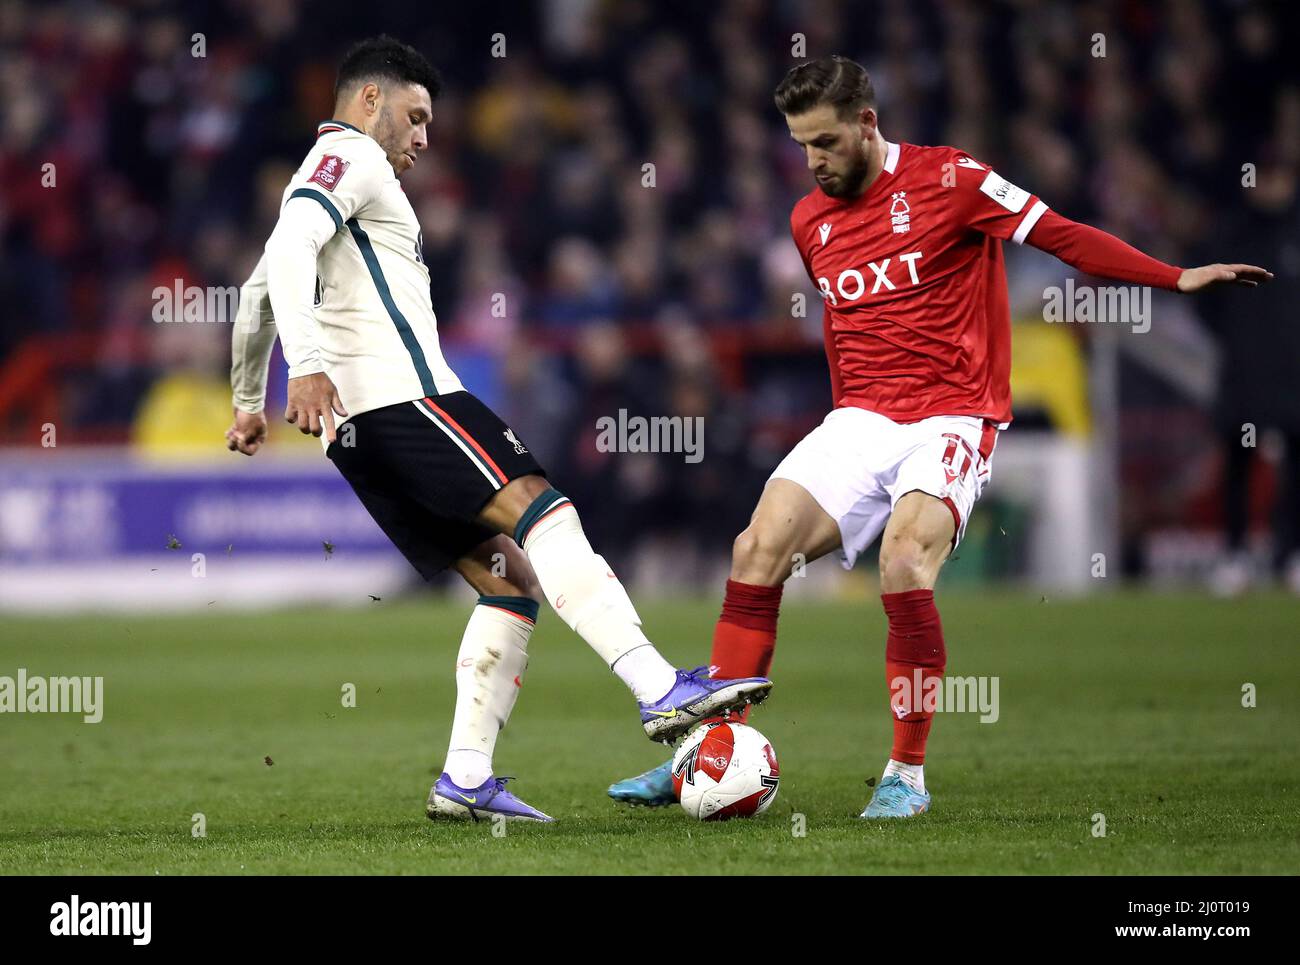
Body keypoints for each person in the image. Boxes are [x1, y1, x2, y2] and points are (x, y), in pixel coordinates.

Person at [608, 55, 1271, 818]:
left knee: (902, 561)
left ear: (867, 123)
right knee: (755, 550)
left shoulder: (954, 181)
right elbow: (843, 326)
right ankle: (707, 754)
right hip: (861, 418)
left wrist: (1172, 276)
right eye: (800, 146)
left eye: (824, 142)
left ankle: (906, 775)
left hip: (951, 413)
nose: (812, 162)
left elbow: (1060, 235)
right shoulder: (807, 221)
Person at [225, 36, 771, 824]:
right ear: (369, 100)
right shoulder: (351, 159)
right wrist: (303, 365)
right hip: (405, 401)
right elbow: (287, 249)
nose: (422, 140)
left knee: (508, 581)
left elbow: (259, 290)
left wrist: (249, 398)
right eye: (414, 118)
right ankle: (660, 688)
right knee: (548, 511)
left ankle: (464, 778)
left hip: (357, 434)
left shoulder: (334, 183)